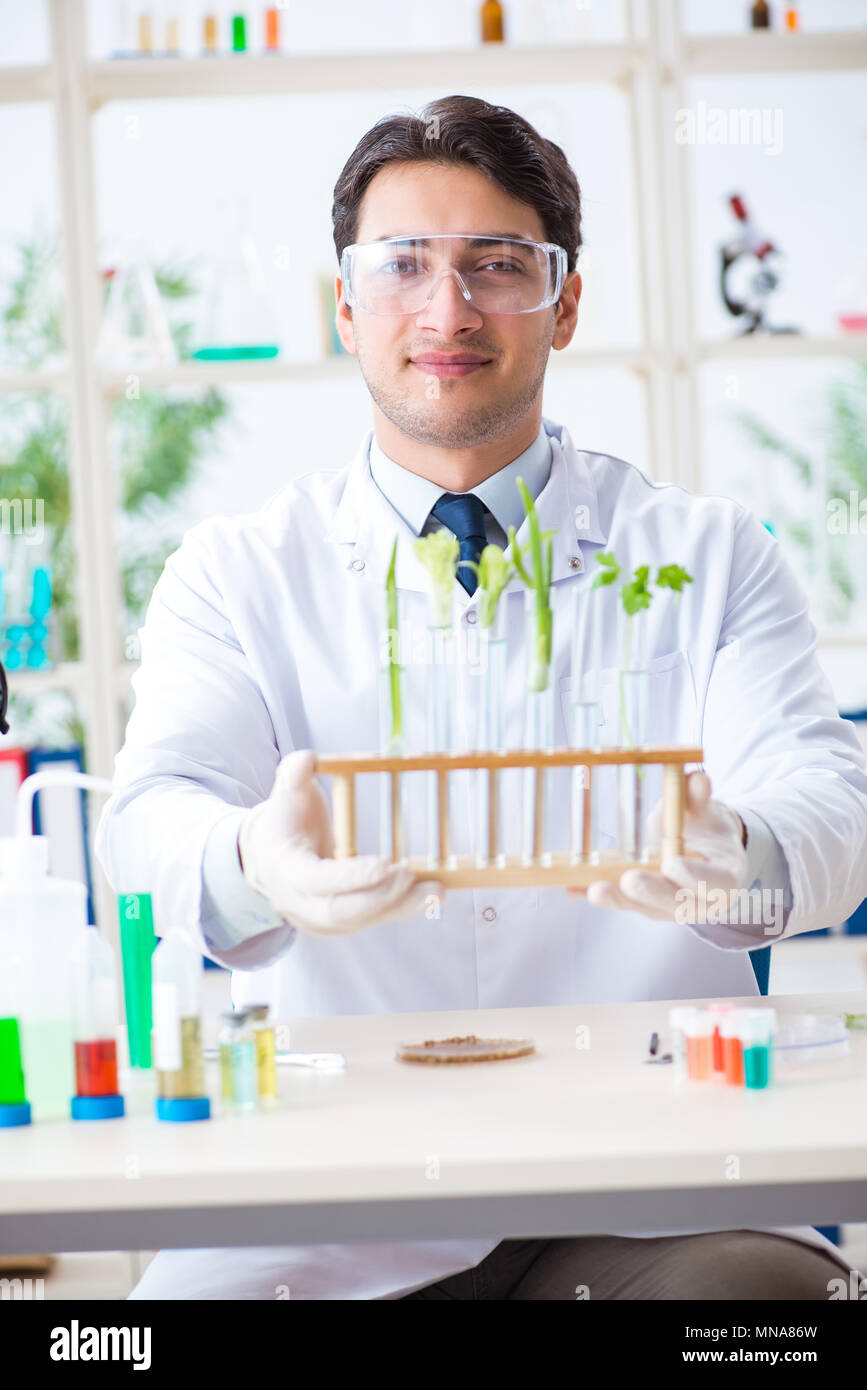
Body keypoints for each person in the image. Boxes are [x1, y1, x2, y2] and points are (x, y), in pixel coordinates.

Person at [96, 95, 867, 1300]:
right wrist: (253, 860)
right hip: (324, 1196)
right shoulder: (238, 571)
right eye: (403, 266)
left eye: (498, 267)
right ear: (346, 304)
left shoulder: (714, 554)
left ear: (566, 300)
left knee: (760, 1318)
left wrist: (745, 852)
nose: (446, 310)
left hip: (654, 1187)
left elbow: (831, 808)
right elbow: (144, 828)